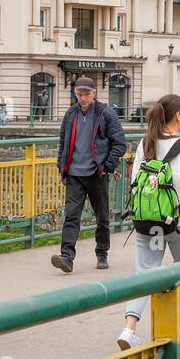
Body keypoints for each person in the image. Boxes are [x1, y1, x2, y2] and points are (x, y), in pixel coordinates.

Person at [118, 94, 180, 350]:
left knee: (144, 273)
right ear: (177, 116)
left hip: (147, 221)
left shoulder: (146, 143)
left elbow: (135, 182)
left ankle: (129, 328)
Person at [51, 76, 128, 273]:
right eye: (79, 94)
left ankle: (102, 253)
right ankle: (67, 257)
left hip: (97, 173)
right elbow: (63, 144)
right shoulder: (70, 115)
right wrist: (62, 169)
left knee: (102, 217)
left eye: (86, 94)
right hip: (74, 174)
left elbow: (120, 143)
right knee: (71, 216)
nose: (83, 98)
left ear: (94, 93)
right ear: (75, 94)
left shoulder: (106, 114)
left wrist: (107, 166)